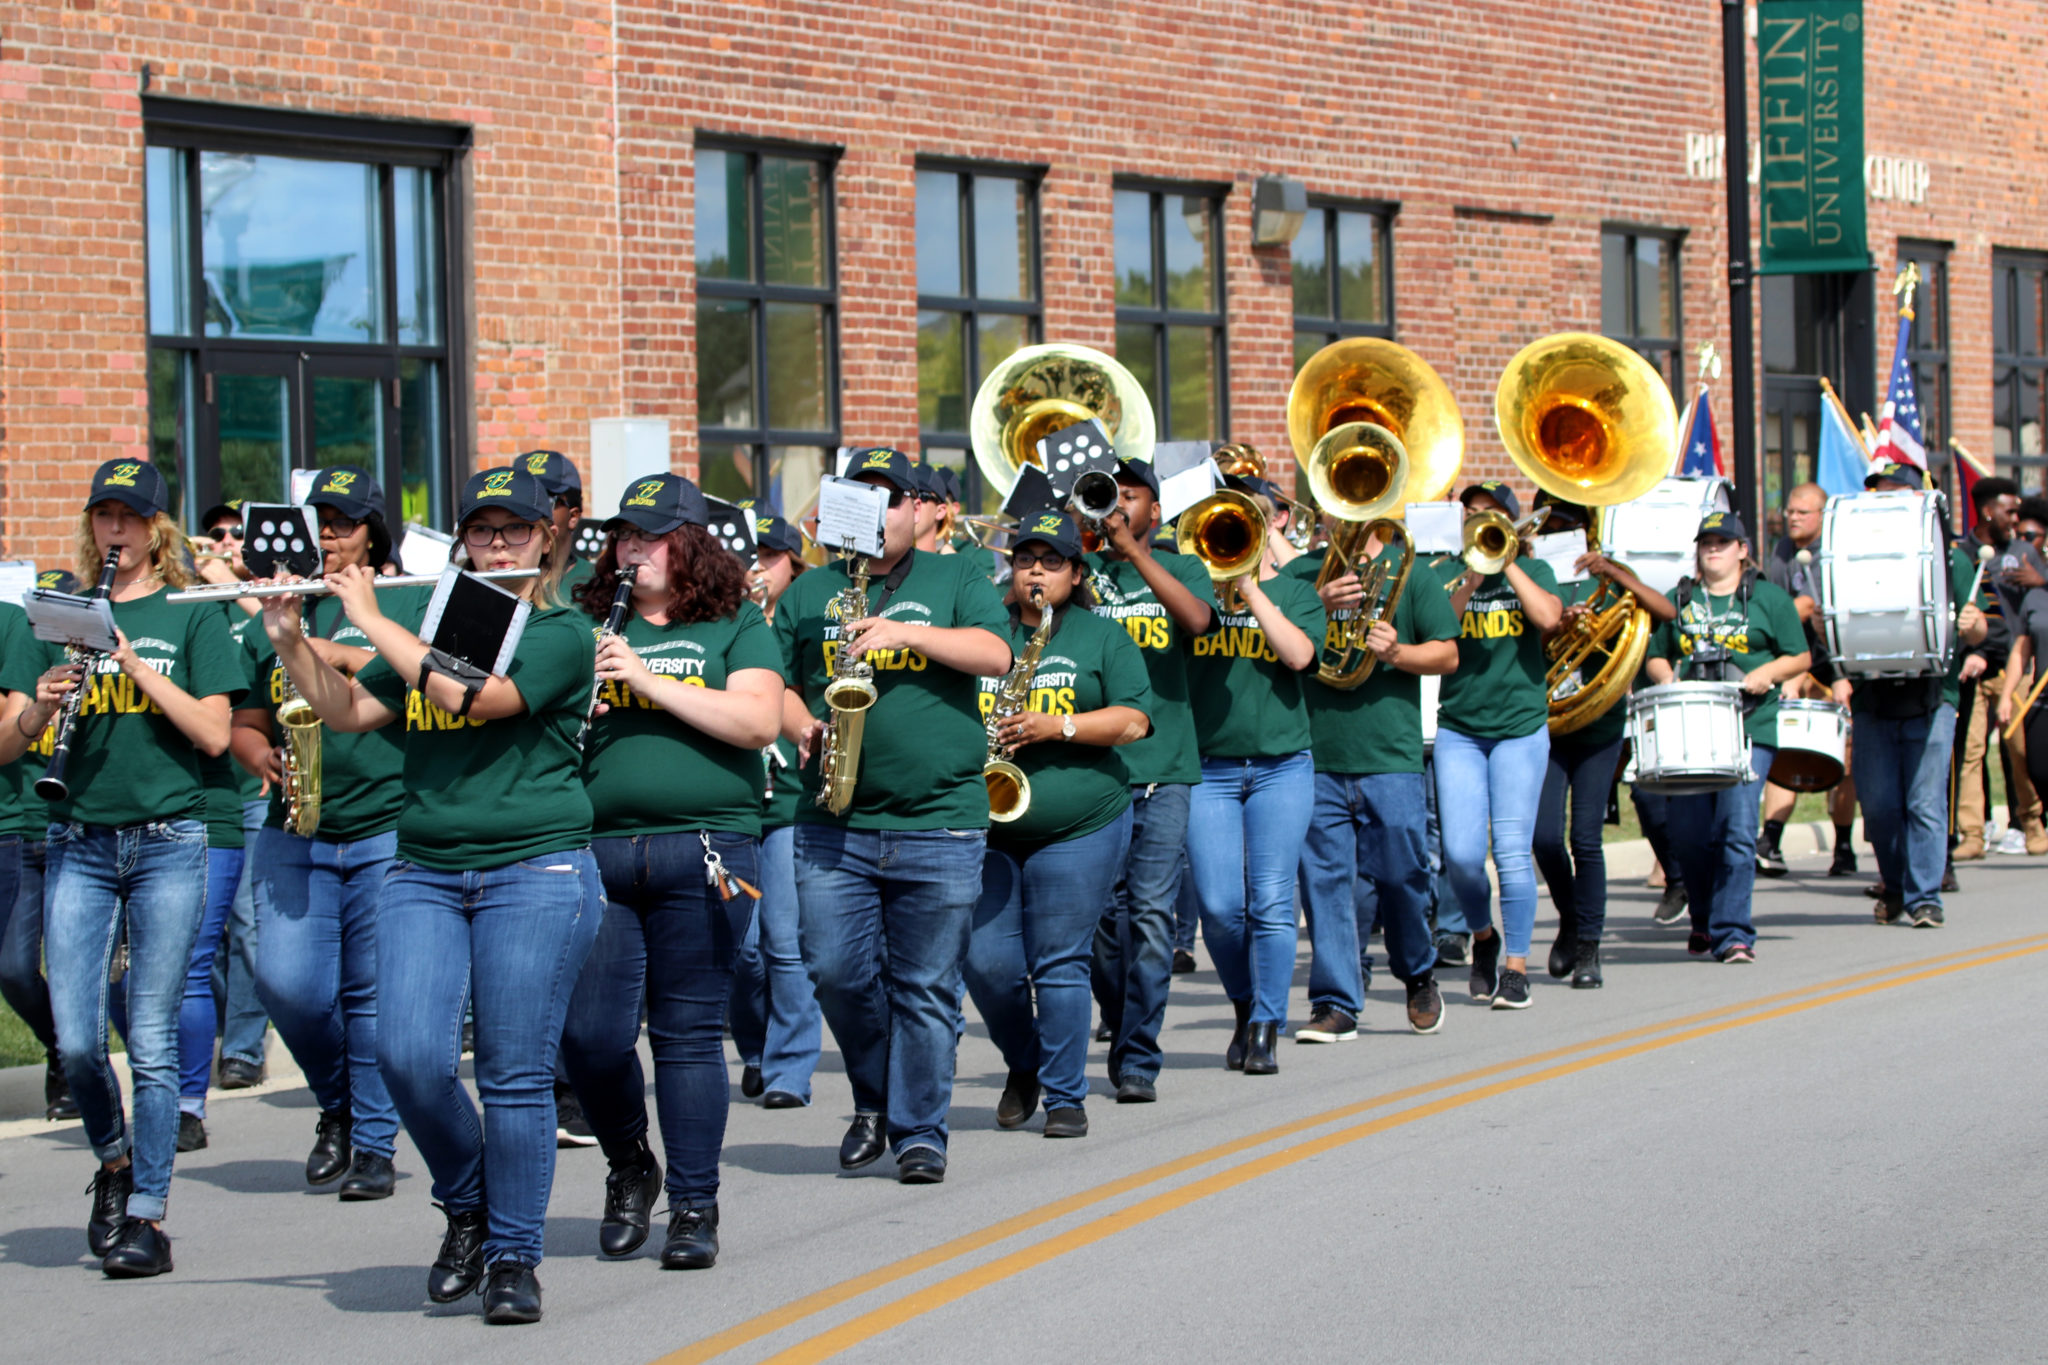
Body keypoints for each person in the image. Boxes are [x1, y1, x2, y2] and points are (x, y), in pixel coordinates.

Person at [263, 465, 601, 1324]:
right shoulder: (433, 621)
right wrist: (291, 639)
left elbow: (477, 697)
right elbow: (348, 711)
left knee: (513, 1073)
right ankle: (468, 1202)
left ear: (546, 538)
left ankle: (514, 1256)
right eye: (481, 530)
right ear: (462, 540)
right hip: (426, 868)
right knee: (408, 1056)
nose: (496, 543)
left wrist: (369, 617)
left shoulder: (562, 628)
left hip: (535, 867)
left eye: (514, 529)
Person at [0, 459, 243, 1279]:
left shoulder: (187, 614)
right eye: (104, 515)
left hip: (170, 838)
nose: (116, 530)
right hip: (80, 839)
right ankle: (113, 1160)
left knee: (149, 1037)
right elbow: (8, 741)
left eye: (131, 517)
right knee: (76, 1042)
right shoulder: (61, 612)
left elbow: (215, 735)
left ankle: (147, 1215)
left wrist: (135, 665)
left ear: (156, 528)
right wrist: (39, 708)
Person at [559, 472, 784, 1270]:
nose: (632, 550)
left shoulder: (733, 622)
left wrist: (647, 681)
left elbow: (758, 719)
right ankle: (629, 1163)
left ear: (689, 543)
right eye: (623, 535)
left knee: (687, 1036)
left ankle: (694, 1202)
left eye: (650, 536)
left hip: (707, 847)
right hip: (597, 850)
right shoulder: (584, 622)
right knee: (589, 1036)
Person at [774, 446, 1012, 1185]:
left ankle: (919, 1131)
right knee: (836, 972)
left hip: (938, 818)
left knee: (926, 986)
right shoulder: (812, 588)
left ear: (918, 509)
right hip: (833, 819)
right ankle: (875, 1098)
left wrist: (905, 633)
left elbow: (996, 653)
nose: (876, 511)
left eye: (891, 498)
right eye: (861, 496)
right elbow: (776, 680)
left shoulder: (956, 576)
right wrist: (799, 724)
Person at [231, 466, 406, 1200]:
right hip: (295, 827)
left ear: (373, 532)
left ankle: (374, 1142)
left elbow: (423, 677)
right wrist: (257, 755)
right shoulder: (275, 609)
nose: (329, 534)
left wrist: (341, 652)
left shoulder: (402, 599)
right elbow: (244, 722)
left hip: (383, 822)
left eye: (344, 522)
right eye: (319, 521)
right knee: (287, 986)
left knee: (370, 994)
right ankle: (337, 1102)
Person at [967, 511, 1152, 1137]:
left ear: (1076, 573)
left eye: (1051, 562)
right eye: (1025, 560)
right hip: (988, 827)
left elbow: (1134, 721)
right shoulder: (984, 634)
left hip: (1081, 823)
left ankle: (1066, 1094)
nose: (1036, 572)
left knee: (1060, 961)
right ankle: (1027, 1064)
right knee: (986, 964)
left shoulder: (1102, 637)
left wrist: (1059, 726)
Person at [1288, 514, 1459, 1037]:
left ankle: (1417, 972)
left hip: (1389, 755)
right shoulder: (1301, 574)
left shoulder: (1412, 573)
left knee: (1403, 877)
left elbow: (1448, 654)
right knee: (1325, 884)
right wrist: (1317, 604)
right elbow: (1274, 646)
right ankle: (1336, 1001)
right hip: (1318, 754)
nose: (1343, 510)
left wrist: (1397, 653)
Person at [1082, 458, 1215, 1102]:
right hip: (1093, 770)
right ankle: (1121, 1017)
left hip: (1163, 770)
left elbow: (1197, 621)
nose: (1116, 506)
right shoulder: (1080, 569)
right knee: (1100, 921)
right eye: (1107, 496)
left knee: (1152, 915)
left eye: (1128, 496)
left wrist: (1133, 552)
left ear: (1154, 511)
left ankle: (1139, 1055)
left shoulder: (1181, 566)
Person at [1184, 480, 1323, 1073]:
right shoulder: (1195, 595)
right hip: (1208, 767)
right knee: (1218, 907)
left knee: (1271, 901)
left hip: (1281, 767)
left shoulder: (1296, 591)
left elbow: (1298, 656)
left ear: (1268, 530)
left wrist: (1249, 587)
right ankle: (1244, 1005)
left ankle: (1267, 1023)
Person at [1646, 510, 1810, 962]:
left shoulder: (1769, 599)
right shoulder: (1678, 600)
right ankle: (1703, 919)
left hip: (1749, 726)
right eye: (1706, 543)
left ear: (1743, 550)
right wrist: (1666, 678)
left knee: (1736, 830)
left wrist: (1767, 672)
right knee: (1690, 836)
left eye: (1723, 542)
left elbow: (1799, 656)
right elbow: (1656, 655)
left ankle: (1734, 932)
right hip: (1690, 732)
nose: (1713, 549)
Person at [1530, 497, 1676, 989]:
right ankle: (1572, 919)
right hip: (1549, 723)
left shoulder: (1610, 577)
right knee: (1543, 837)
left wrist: (1613, 572)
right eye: (1549, 523)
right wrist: (1556, 625)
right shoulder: (1531, 573)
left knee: (1586, 838)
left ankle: (1589, 946)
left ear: (1585, 526)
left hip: (1599, 726)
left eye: (1566, 522)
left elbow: (1665, 611)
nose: (1557, 529)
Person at [1830, 464, 1984, 928]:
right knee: (1879, 806)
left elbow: (1977, 628)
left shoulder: (1949, 558)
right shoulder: (1851, 555)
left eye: (1896, 493)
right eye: (1879, 494)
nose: (1886, 501)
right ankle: (1895, 884)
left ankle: (1925, 897)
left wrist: (1973, 626)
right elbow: (1838, 621)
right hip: (1872, 696)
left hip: (1933, 695)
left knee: (1925, 803)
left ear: (1918, 500)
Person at [1434, 480, 1563, 1009]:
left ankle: (1516, 968)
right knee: (1462, 857)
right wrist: (1471, 575)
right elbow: (1438, 630)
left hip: (1519, 729)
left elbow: (1549, 618)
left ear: (1511, 521)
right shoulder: (1445, 572)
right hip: (1460, 729)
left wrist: (1504, 560)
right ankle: (1483, 936)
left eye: (1489, 513)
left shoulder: (1534, 570)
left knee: (1511, 853)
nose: (1477, 518)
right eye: (1470, 511)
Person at [729, 513, 824, 1110]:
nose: (757, 568)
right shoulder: (729, 623)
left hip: (789, 805)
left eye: (768, 557)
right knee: (742, 948)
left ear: (794, 564)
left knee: (784, 940)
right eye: (749, 557)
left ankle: (790, 1068)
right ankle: (756, 1050)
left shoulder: (802, 622)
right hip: (736, 808)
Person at [1758, 482, 1861, 877]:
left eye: (1803, 512)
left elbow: (1809, 607)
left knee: (1844, 756)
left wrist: (1840, 675)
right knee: (1784, 746)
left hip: (1833, 663)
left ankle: (1844, 847)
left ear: (1822, 515)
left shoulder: (1834, 550)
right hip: (1795, 661)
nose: (1793, 518)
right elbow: (1778, 603)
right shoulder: (1783, 550)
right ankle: (1770, 840)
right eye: (1790, 511)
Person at [1958, 478, 2048, 859]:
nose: (2015, 519)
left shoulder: (2024, 552)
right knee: (1970, 752)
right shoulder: (1961, 554)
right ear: (1987, 511)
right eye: (2009, 511)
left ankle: (2032, 825)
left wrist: (2042, 579)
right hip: (1974, 666)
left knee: (2020, 750)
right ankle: (1972, 834)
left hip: (2016, 668)